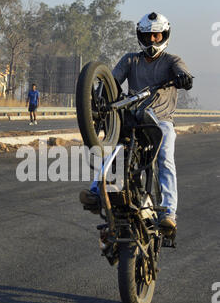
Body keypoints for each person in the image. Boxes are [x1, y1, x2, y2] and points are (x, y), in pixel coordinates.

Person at [80, 12, 193, 231]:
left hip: (161, 122)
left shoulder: (172, 61)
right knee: (113, 149)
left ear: (164, 36)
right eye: (148, 36)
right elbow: (112, 82)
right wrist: (97, 92)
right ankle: (96, 191)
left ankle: (169, 211)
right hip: (133, 118)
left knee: (166, 158)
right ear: (140, 36)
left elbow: (183, 72)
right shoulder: (130, 60)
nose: (152, 40)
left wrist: (183, 78)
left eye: (157, 36)